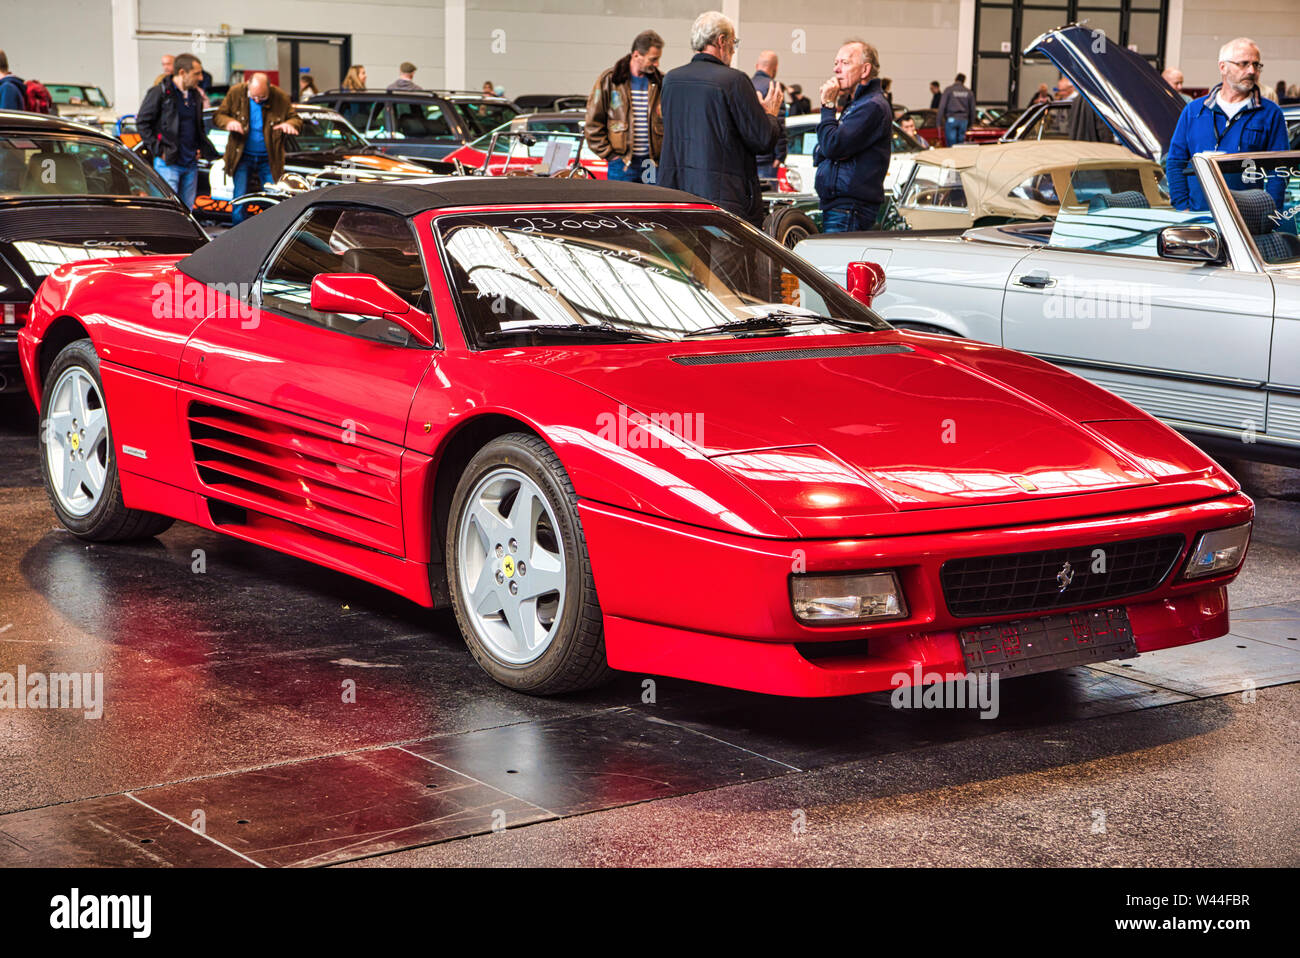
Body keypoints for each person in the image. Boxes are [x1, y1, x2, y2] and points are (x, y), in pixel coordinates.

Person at [659, 11, 781, 226]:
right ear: (721, 41)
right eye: (734, 42)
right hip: (722, 201)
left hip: (677, 196)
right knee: (727, 260)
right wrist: (770, 115)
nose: (734, 49)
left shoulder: (671, 80)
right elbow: (762, 140)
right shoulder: (734, 80)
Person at [1165, 37, 1288, 212]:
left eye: (1256, 65)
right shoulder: (1194, 111)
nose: (1251, 70)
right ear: (1223, 67)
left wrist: (1270, 214)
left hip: (1247, 221)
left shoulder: (1270, 113)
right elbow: (1176, 161)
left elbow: (1280, 169)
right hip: (1199, 217)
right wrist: (1182, 206)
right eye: (1244, 64)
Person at [812, 39, 891, 233]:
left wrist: (828, 105)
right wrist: (830, 148)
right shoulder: (857, 104)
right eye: (836, 63)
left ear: (865, 70)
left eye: (845, 63)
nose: (837, 69)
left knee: (835, 263)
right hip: (842, 207)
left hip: (850, 209)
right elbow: (821, 151)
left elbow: (831, 145)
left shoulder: (871, 106)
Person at [215, 72, 302, 225]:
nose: (256, 100)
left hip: (269, 158)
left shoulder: (280, 97)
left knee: (274, 198)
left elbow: (295, 119)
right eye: (253, 96)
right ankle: (239, 232)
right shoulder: (235, 93)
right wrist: (228, 122)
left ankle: (271, 232)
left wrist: (290, 124)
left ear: (269, 89)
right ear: (248, 86)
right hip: (241, 156)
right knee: (239, 198)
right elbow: (219, 115)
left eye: (262, 98)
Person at [136, 53, 217, 209]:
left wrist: (199, 147)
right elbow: (143, 122)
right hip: (168, 163)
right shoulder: (159, 92)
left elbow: (197, 126)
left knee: (187, 212)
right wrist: (159, 150)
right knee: (167, 210)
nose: (201, 78)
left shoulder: (195, 96)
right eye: (196, 73)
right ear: (182, 73)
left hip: (190, 163)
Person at [584, 30, 665, 184]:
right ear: (636, 55)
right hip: (621, 165)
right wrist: (611, 156)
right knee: (622, 207)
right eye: (653, 59)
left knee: (651, 207)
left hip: (652, 165)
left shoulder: (661, 82)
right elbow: (592, 123)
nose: (657, 64)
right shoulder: (609, 80)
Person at [751, 50, 787, 183]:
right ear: (775, 68)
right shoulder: (774, 88)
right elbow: (779, 122)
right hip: (767, 158)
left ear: (756, 66)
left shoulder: (746, 85)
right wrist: (780, 155)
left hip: (750, 157)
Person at [937, 72, 975, 145]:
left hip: (951, 119)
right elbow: (972, 109)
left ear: (955, 79)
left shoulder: (949, 90)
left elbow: (942, 106)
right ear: (964, 81)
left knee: (951, 143)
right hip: (964, 120)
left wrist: (939, 122)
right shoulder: (969, 92)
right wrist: (971, 124)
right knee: (960, 144)